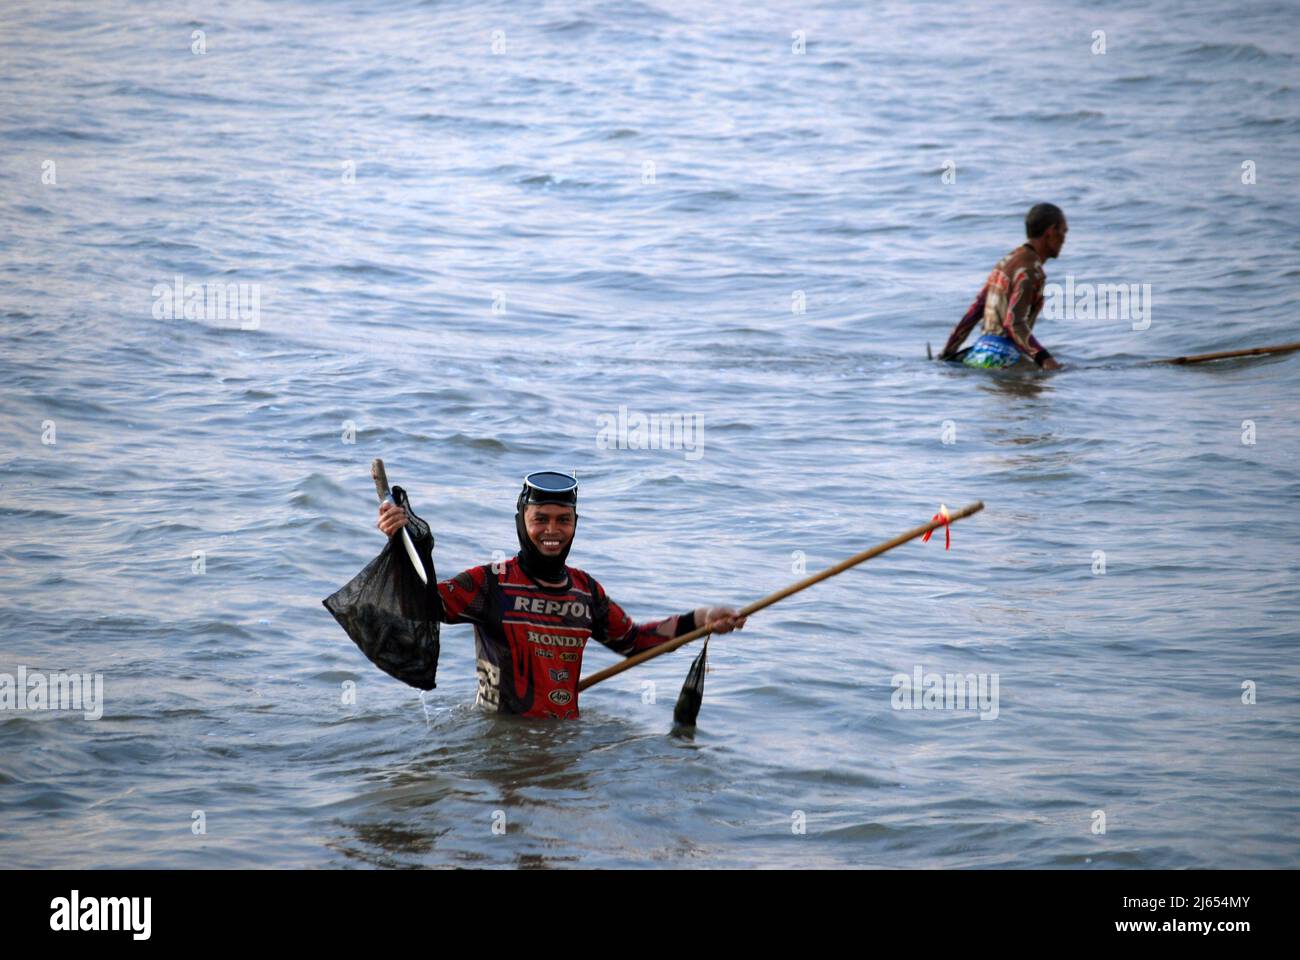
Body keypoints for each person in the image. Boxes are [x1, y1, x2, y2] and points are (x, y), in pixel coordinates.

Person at [376, 471, 746, 719]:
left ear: (575, 525)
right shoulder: (490, 583)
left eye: (563, 520)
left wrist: (700, 619)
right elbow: (421, 605)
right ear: (522, 521)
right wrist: (411, 541)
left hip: (563, 741)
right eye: (541, 519)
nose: (551, 530)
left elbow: (634, 642)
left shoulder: (585, 592)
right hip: (499, 744)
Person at [939, 203, 1067, 370]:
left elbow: (975, 311)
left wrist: (947, 354)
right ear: (1051, 232)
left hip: (978, 354)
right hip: (1004, 357)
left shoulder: (1005, 263)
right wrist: (1046, 360)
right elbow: (1013, 324)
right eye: (1063, 231)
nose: (1064, 239)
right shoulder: (1032, 271)